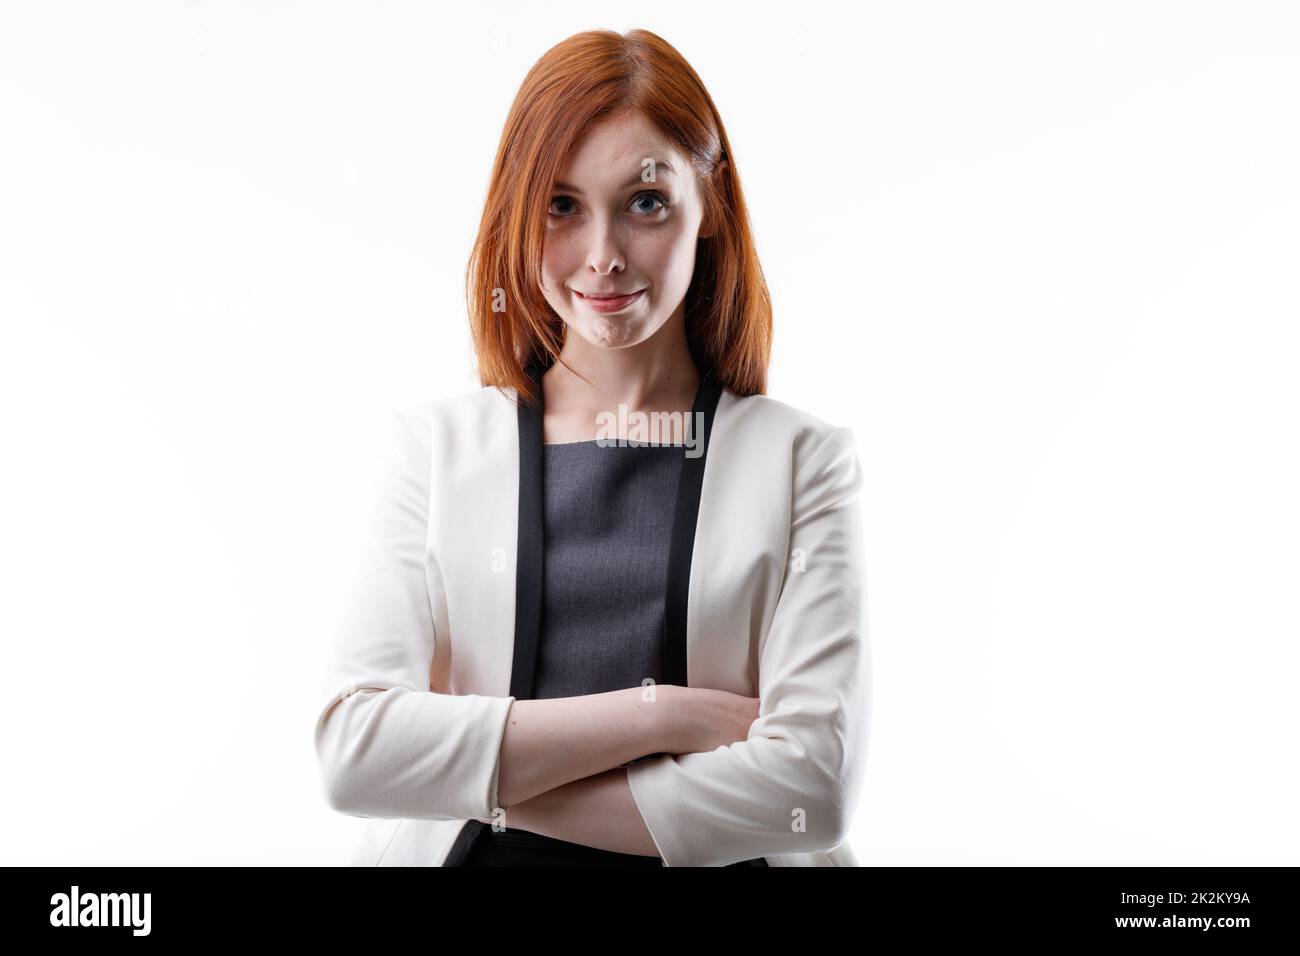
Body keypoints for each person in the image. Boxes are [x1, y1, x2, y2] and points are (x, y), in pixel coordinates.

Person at [314, 28, 869, 867]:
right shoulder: (432, 451)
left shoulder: (803, 463)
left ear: (711, 202)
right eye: (561, 206)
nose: (603, 258)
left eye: (644, 203)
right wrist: (662, 716)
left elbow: (811, 793)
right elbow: (356, 754)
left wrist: (466, 778)